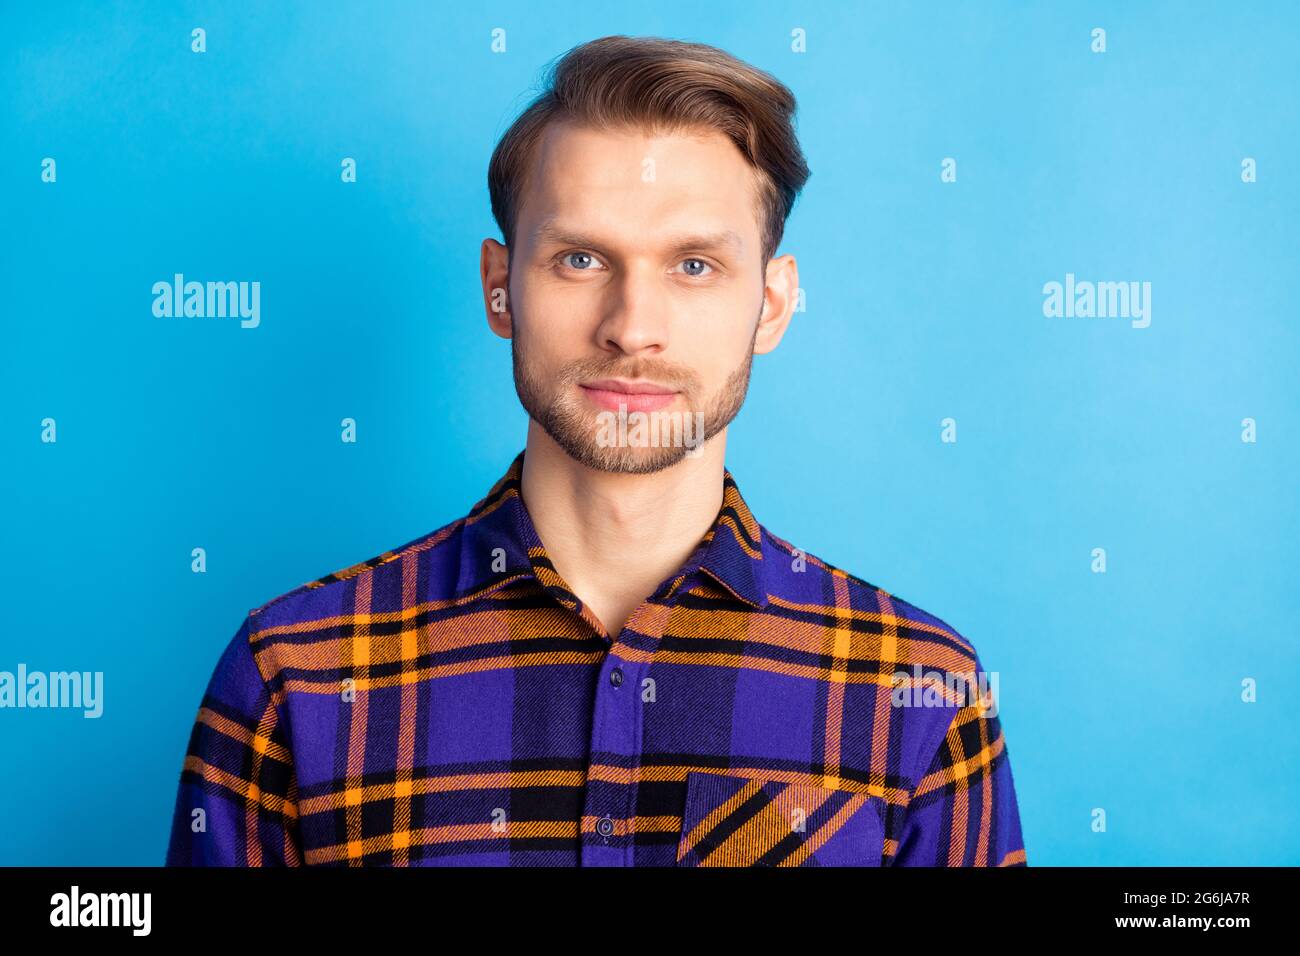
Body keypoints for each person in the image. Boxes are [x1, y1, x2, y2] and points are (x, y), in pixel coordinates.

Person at [165, 34, 1026, 867]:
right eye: (579, 259)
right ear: (500, 288)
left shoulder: (921, 690)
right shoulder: (293, 676)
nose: (632, 328)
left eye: (694, 265)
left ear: (771, 305)